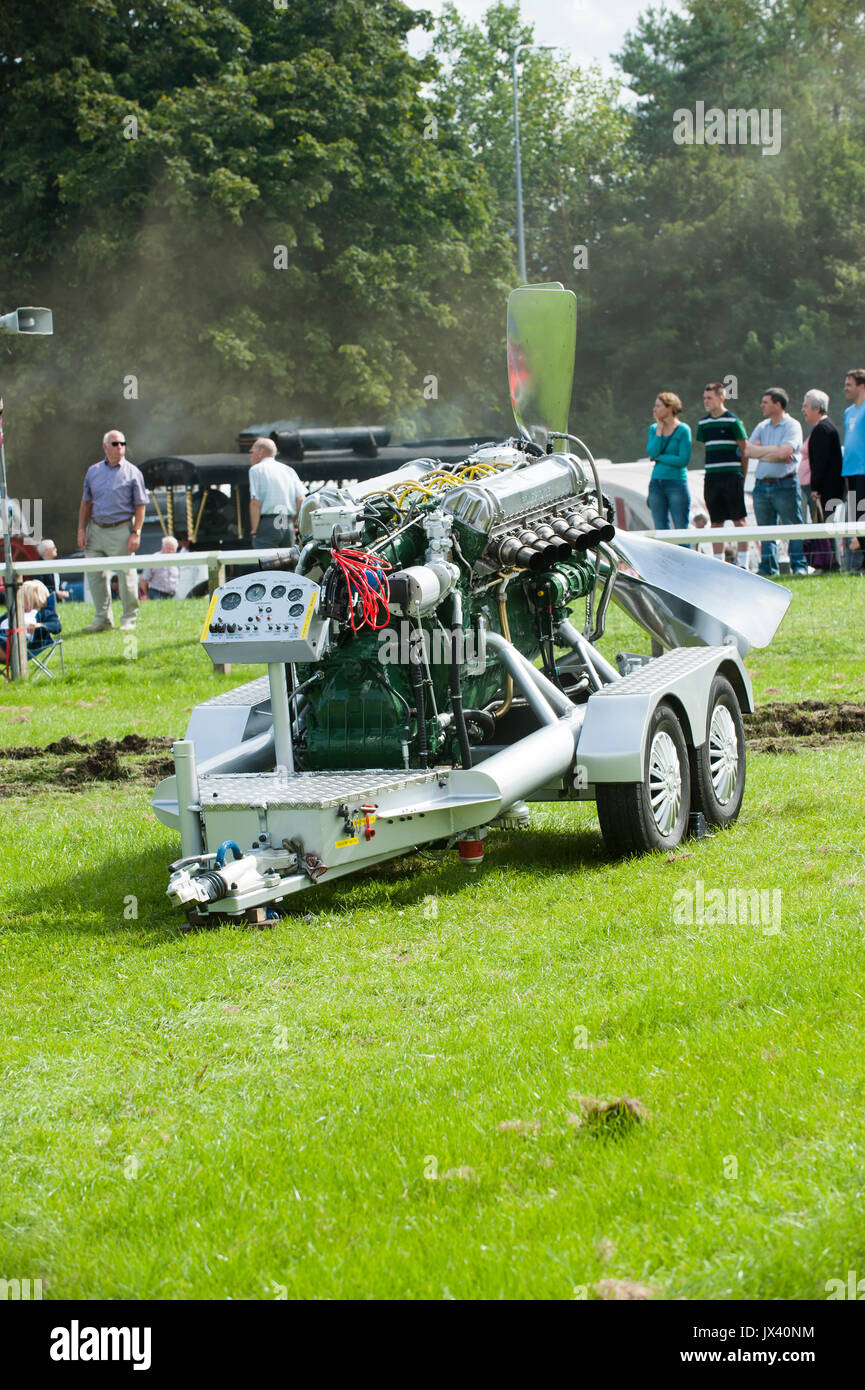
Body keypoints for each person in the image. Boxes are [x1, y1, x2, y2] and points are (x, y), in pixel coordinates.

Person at [77, 430, 147, 632]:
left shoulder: (133, 472)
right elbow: (86, 503)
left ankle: (129, 619)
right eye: (115, 444)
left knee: (126, 576)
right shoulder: (93, 471)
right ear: (105, 447)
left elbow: (140, 506)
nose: (120, 447)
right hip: (96, 529)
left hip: (122, 529)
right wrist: (81, 529)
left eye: (122, 444)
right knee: (95, 576)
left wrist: (136, 532)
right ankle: (102, 619)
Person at [744, 388, 810, 577]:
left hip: (785, 484)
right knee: (765, 529)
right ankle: (768, 568)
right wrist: (774, 453)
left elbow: (784, 453)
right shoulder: (762, 426)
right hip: (761, 485)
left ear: (778, 404)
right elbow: (748, 450)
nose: (761, 405)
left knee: (793, 526)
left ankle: (799, 566)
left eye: (765, 402)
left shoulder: (792, 425)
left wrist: (764, 453)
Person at [694, 382, 749, 566]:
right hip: (712, 477)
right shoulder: (703, 423)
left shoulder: (733, 421)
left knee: (738, 520)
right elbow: (706, 449)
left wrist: (742, 475)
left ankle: (743, 562)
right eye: (704, 398)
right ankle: (720, 563)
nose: (706, 401)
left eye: (709, 398)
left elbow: (744, 450)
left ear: (721, 398)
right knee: (716, 522)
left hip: (732, 475)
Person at [248, 436, 306, 549]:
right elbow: (301, 499)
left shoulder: (256, 470)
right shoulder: (288, 470)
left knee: (266, 563)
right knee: (288, 563)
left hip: (268, 523)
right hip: (286, 521)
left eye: (252, 451)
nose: (250, 455)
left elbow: (255, 502)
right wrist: (294, 522)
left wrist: (254, 530)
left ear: (260, 452)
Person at [646, 392, 691, 531]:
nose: (655, 409)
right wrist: (659, 430)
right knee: (660, 529)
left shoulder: (683, 430)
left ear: (670, 408)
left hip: (676, 483)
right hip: (656, 483)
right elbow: (651, 452)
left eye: (658, 406)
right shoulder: (654, 429)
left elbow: (683, 460)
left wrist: (660, 458)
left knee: (680, 528)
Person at [841, 368, 865, 573]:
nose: (845, 388)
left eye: (849, 384)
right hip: (851, 472)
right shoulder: (848, 412)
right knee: (857, 518)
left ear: (861, 386)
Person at [140, 535, 180, 599]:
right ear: (162, 548)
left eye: (172, 549)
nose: (170, 552)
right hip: (156, 594)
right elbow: (143, 580)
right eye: (168, 549)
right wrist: (147, 594)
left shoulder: (178, 560)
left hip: (173, 595)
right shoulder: (154, 559)